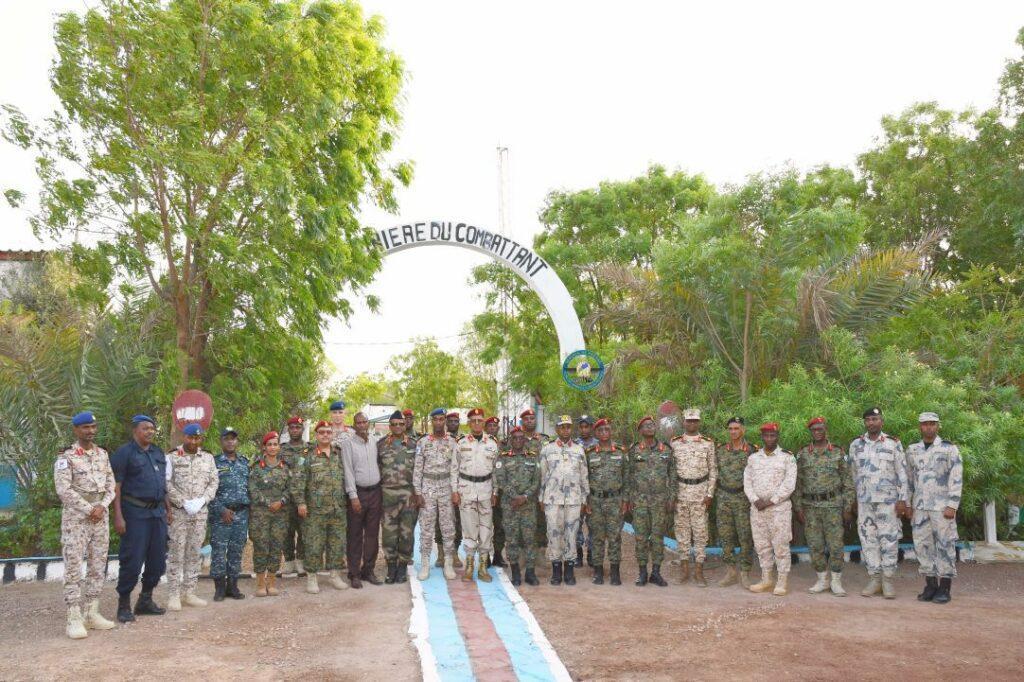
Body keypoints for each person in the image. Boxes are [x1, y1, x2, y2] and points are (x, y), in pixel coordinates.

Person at [55, 411, 116, 639]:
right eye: (85, 427)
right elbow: (64, 490)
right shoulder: (66, 457)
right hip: (77, 519)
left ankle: (92, 612)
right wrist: (90, 509)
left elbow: (111, 485)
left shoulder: (102, 454)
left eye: (93, 427)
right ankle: (73, 616)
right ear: (76, 430)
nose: (90, 431)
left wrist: (101, 506)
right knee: (73, 566)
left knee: (98, 564)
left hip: (100, 517)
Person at [110, 414, 169, 623]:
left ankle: (145, 600)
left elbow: (162, 484)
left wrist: (167, 509)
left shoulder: (157, 452)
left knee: (158, 561)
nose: (150, 432)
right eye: (145, 428)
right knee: (132, 561)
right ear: (135, 430)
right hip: (134, 514)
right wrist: (118, 516)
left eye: (152, 429)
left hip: (157, 514)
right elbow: (116, 487)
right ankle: (124, 604)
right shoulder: (124, 453)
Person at [848, 407, 909, 599]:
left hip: (888, 502)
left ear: (881, 421)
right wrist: (854, 500)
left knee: (889, 540)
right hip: (865, 502)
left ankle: (888, 580)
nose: (871, 423)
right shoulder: (856, 445)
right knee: (868, 540)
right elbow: (852, 475)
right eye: (868, 420)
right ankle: (874, 578)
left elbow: (902, 473)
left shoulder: (893, 444)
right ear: (865, 423)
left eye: (875, 419)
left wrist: (902, 500)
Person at [793, 417, 854, 596]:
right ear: (811, 432)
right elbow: (797, 483)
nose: (817, 432)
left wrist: (848, 507)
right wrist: (798, 508)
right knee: (814, 544)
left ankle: (836, 581)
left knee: (835, 544)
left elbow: (848, 482)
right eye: (814, 430)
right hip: (810, 506)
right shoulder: (803, 453)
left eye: (820, 429)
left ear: (825, 429)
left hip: (833, 505)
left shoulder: (837, 452)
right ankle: (822, 579)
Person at [906, 412, 962, 604]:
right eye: (925, 424)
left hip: (942, 508)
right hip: (920, 507)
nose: (929, 427)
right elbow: (909, 480)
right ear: (920, 427)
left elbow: (956, 477)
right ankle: (930, 585)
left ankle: (945, 588)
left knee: (945, 545)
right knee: (922, 546)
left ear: (938, 426)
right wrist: (908, 504)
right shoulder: (913, 450)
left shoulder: (949, 449)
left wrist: (952, 505)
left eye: (932, 424)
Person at [165, 423, 218, 611]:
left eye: (197, 438)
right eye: (190, 438)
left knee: (194, 553)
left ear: (200, 439)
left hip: (200, 513)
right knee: (176, 553)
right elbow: (166, 483)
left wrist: (203, 500)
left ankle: (189, 592)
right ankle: (173, 594)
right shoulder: (172, 457)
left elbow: (214, 482)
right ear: (184, 437)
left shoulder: (208, 458)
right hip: (180, 513)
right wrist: (181, 501)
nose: (193, 441)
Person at [292, 420, 348, 593]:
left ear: (332, 435)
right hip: (314, 510)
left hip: (337, 508)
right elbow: (297, 481)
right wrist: (301, 503)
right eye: (322, 432)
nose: (325, 435)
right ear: (316, 435)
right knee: (314, 544)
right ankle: (312, 577)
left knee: (336, 543)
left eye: (328, 432)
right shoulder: (306, 455)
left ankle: (334, 575)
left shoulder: (338, 454)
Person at [745, 422, 797, 596]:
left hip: (779, 510)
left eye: (772, 435)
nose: (769, 438)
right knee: (762, 545)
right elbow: (747, 482)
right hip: (757, 509)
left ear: (777, 436)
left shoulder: (787, 457)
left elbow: (789, 484)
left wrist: (771, 501)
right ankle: (766, 579)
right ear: (762, 437)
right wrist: (754, 499)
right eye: (766, 435)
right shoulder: (753, 458)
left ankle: (782, 581)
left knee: (780, 545)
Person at [539, 415, 589, 586]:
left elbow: (584, 477)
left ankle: (569, 571)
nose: (565, 430)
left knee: (571, 534)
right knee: (553, 533)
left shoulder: (579, 450)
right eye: (562, 427)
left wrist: (585, 499)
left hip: (574, 500)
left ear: (571, 429)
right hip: (552, 500)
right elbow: (542, 476)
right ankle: (556, 571)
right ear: (557, 429)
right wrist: (541, 497)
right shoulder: (547, 450)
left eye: (568, 427)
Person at [669, 408, 717, 587]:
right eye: (689, 421)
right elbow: (670, 472)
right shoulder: (674, 443)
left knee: (700, 533)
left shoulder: (707, 443)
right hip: (681, 493)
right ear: (684, 422)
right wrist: (672, 496)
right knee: (682, 533)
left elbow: (713, 470)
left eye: (695, 420)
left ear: (699, 422)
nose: (691, 424)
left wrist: (710, 494)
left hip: (700, 493)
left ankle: (699, 571)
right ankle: (684, 570)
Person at [452, 407, 500, 582]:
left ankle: (482, 568)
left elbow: (496, 471)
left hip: (486, 490)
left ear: (484, 422)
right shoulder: (461, 443)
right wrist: (455, 491)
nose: (477, 423)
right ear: (469, 423)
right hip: (466, 490)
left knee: (486, 530)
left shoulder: (492, 443)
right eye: (474, 421)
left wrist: (495, 491)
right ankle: (469, 566)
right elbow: (454, 469)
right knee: (469, 529)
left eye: (480, 420)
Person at [626, 416, 675, 587]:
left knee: (658, 538)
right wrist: (629, 498)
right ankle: (642, 573)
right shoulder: (633, 450)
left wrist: (672, 497)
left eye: (652, 425)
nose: (650, 427)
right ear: (640, 430)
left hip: (660, 501)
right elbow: (628, 476)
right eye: (646, 425)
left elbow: (672, 475)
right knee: (640, 538)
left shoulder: (666, 449)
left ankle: (656, 572)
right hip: (639, 501)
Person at [414, 408, 459, 580]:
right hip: (428, 487)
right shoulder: (423, 442)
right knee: (426, 526)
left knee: (448, 527)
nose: (439, 422)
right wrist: (418, 492)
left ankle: (448, 562)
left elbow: (455, 468)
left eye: (442, 419)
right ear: (432, 421)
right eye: (436, 419)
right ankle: (425, 563)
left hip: (446, 486)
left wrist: (455, 490)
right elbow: (417, 469)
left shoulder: (453, 442)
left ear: (445, 421)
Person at [493, 427, 541, 586]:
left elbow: (537, 481)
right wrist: (515, 497)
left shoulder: (533, 458)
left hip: (528, 506)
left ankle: (530, 573)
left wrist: (525, 497)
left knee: (529, 539)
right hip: (510, 506)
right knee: (512, 539)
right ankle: (515, 572)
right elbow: (501, 480)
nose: (519, 440)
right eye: (515, 438)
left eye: (521, 438)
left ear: (525, 440)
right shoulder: (503, 458)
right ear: (511, 440)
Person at [209, 426, 250, 601]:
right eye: (227, 438)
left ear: (237, 441)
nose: (230, 441)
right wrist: (221, 510)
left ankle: (233, 586)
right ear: (221, 441)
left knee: (236, 551)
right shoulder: (214, 463)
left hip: (241, 513)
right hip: (221, 514)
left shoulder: (244, 462)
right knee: (219, 551)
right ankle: (219, 588)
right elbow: (208, 490)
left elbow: (250, 488)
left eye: (233, 438)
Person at [585, 418, 627, 585]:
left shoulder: (620, 452)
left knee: (615, 536)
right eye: (600, 430)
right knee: (597, 537)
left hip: (615, 500)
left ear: (611, 431)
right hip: (595, 500)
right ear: (596, 433)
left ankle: (615, 571)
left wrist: (625, 500)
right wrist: (586, 501)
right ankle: (598, 571)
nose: (604, 433)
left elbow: (627, 477)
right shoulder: (590, 453)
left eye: (606, 430)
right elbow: (584, 478)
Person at [343, 412, 383, 588]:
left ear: (368, 423)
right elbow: (348, 471)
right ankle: (354, 573)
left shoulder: (374, 441)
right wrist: (353, 496)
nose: (361, 425)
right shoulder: (348, 444)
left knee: (373, 535)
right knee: (355, 535)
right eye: (358, 422)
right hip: (358, 494)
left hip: (375, 493)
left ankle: (368, 570)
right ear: (354, 424)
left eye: (364, 422)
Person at [378, 411, 418, 584]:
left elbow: (419, 470)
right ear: (390, 426)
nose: (398, 427)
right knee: (388, 535)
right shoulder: (380, 445)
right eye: (394, 424)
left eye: (401, 424)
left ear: (405, 425)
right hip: (387, 496)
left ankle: (402, 566)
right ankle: (391, 566)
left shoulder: (414, 445)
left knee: (407, 534)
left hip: (408, 496)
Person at [249, 431, 291, 597]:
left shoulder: (285, 467)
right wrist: (268, 503)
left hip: (280, 515)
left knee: (276, 547)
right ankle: (260, 583)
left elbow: (290, 488)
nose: (273, 447)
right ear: (264, 447)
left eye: (275, 444)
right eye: (270, 444)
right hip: (261, 515)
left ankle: (272, 582)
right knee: (261, 547)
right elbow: (252, 489)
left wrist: (281, 501)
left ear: (279, 447)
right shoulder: (256, 467)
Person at [715, 417, 755, 589]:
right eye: (730, 428)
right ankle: (731, 571)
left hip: (743, 499)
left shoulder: (752, 451)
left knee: (745, 537)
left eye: (736, 428)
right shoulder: (720, 450)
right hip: (724, 498)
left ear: (743, 430)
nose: (733, 432)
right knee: (725, 536)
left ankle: (745, 572)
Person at [280, 415, 311, 576]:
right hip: (286, 499)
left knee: (304, 530)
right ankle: (289, 562)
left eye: (298, 427)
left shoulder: (310, 449)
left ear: (302, 429)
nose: (295, 430)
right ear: (288, 430)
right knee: (287, 532)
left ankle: (300, 561)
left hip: (304, 499)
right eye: (292, 427)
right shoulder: (281, 449)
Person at [516, 408, 550, 549]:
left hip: (542, 487)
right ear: (522, 421)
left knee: (542, 520)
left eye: (532, 418)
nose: (530, 421)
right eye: (526, 419)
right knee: (522, 520)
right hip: (523, 487)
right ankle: (523, 553)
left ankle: (540, 553)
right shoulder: (516, 439)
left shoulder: (545, 440)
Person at [436, 411, 464, 568]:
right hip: (440, 486)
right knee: (440, 522)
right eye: (450, 421)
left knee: (457, 522)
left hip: (458, 487)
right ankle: (440, 554)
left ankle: (454, 553)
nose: (453, 424)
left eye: (456, 421)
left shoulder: (462, 441)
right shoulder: (439, 439)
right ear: (446, 423)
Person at [574, 415, 597, 567]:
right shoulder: (574, 444)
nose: (584, 429)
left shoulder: (598, 444)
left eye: (586, 426)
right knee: (576, 523)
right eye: (581, 427)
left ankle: (591, 553)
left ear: (591, 427)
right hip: (577, 490)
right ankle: (578, 553)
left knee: (594, 523)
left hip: (594, 490)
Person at [485, 415, 506, 567]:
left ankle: (498, 555)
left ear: (498, 428)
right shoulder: (482, 443)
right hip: (485, 488)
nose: (492, 428)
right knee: (484, 524)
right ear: (486, 428)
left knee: (500, 524)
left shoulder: (505, 445)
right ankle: (484, 556)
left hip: (502, 491)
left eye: (495, 426)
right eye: (490, 426)